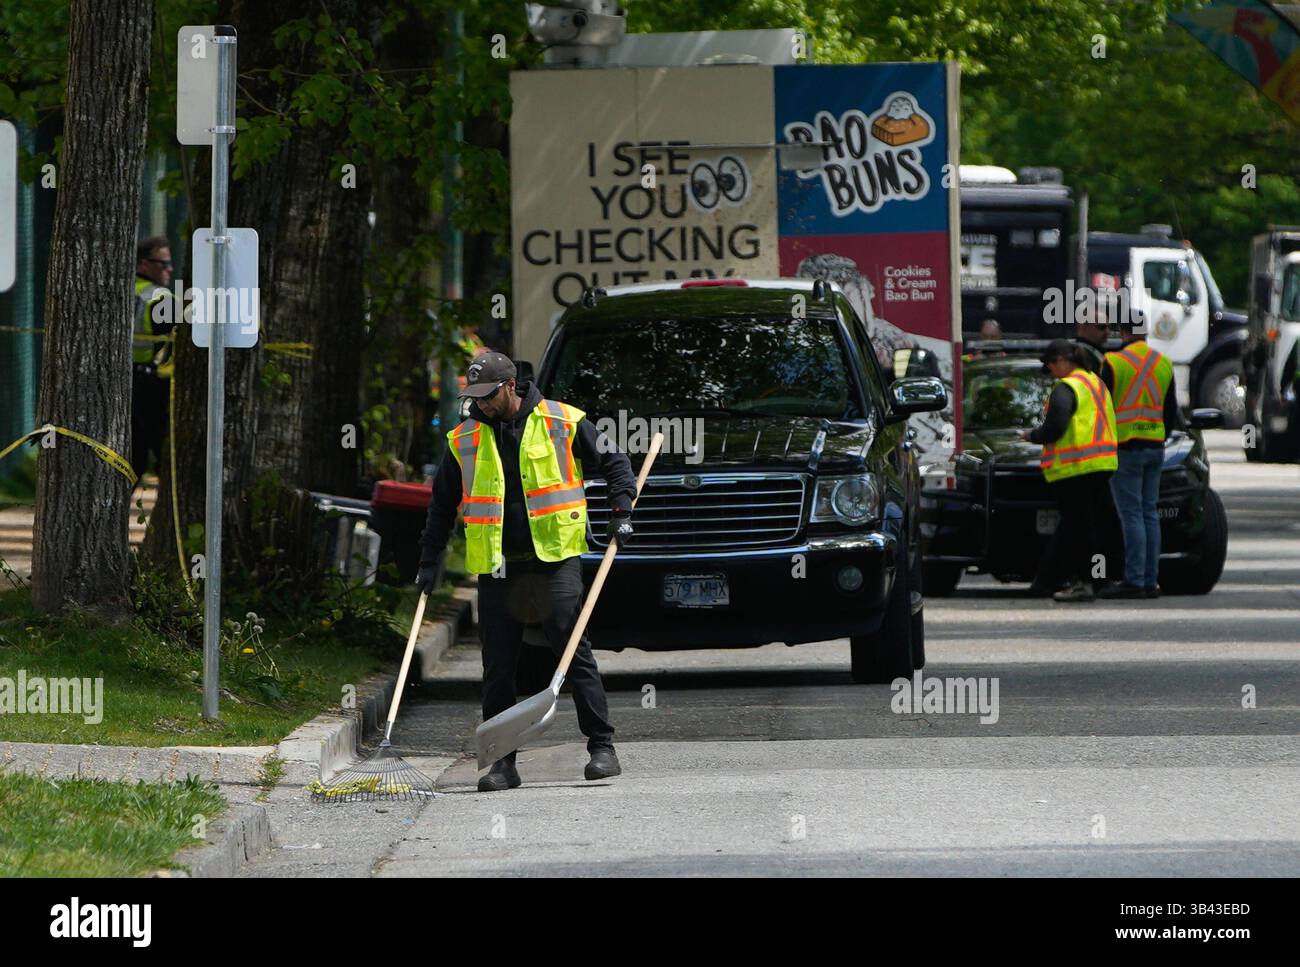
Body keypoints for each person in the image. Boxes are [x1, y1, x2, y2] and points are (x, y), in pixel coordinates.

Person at [417, 351, 638, 792]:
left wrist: (621, 509)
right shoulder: (464, 439)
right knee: (499, 665)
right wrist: (429, 561)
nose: (479, 404)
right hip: (499, 567)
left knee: (570, 646)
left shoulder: (563, 420)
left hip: (554, 559)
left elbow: (616, 463)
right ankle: (502, 763)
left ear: (509, 386)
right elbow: (442, 505)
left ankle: (602, 747)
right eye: (473, 397)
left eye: (486, 395)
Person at [1022, 340, 1118, 602]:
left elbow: (1055, 428)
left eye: (1051, 365)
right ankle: (1097, 580)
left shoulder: (1067, 388)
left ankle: (1078, 582)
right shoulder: (1095, 383)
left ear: (1063, 360)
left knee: (1077, 529)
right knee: (1088, 528)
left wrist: (1031, 435)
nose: (1052, 371)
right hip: (1102, 465)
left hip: (1076, 468)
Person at [1098, 317, 1181, 598]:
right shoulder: (1164, 363)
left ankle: (1134, 580)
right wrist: (1161, 435)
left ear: (1122, 333)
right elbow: (1170, 410)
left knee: (1131, 514)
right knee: (1149, 513)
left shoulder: (1113, 362)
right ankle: (1149, 580)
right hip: (1155, 445)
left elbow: (1102, 406)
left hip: (1126, 447)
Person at [132, 236, 177, 484]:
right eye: (163, 264)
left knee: (131, 457)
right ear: (143, 264)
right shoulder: (160, 297)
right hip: (151, 385)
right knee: (164, 450)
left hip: (116, 383)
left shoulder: (118, 288)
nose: (169, 269)